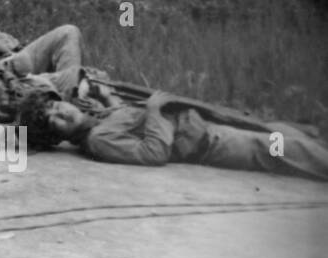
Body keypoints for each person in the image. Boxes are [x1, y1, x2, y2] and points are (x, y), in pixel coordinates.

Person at [19, 85, 328, 182]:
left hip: (204, 124)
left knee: (289, 133)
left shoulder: (95, 120)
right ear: (55, 137)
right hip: (209, 142)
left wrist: (109, 99)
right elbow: (154, 153)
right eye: (53, 120)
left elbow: (126, 121)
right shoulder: (98, 140)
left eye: (56, 106)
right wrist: (154, 108)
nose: (61, 112)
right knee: (286, 149)